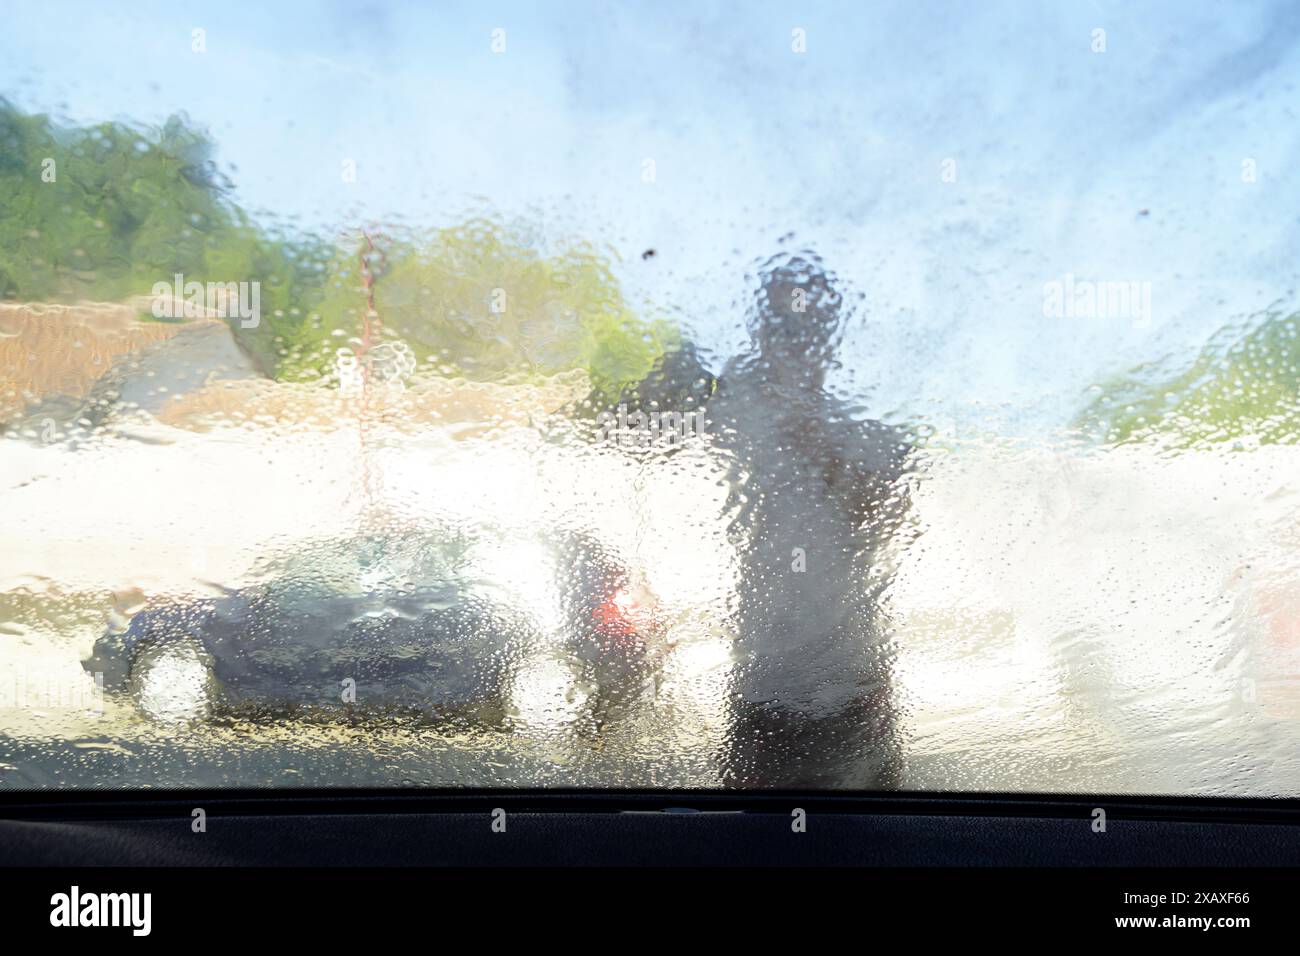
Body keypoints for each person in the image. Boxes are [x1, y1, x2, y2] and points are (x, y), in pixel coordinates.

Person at [612, 250, 912, 788]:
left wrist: (815, 441)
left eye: (808, 322)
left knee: (870, 849)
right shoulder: (733, 404)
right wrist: (659, 384)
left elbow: (887, 522)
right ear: (760, 331)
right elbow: (634, 439)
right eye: (781, 322)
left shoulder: (866, 429)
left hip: (854, 685)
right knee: (755, 853)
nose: (794, 336)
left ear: (829, 335)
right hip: (761, 687)